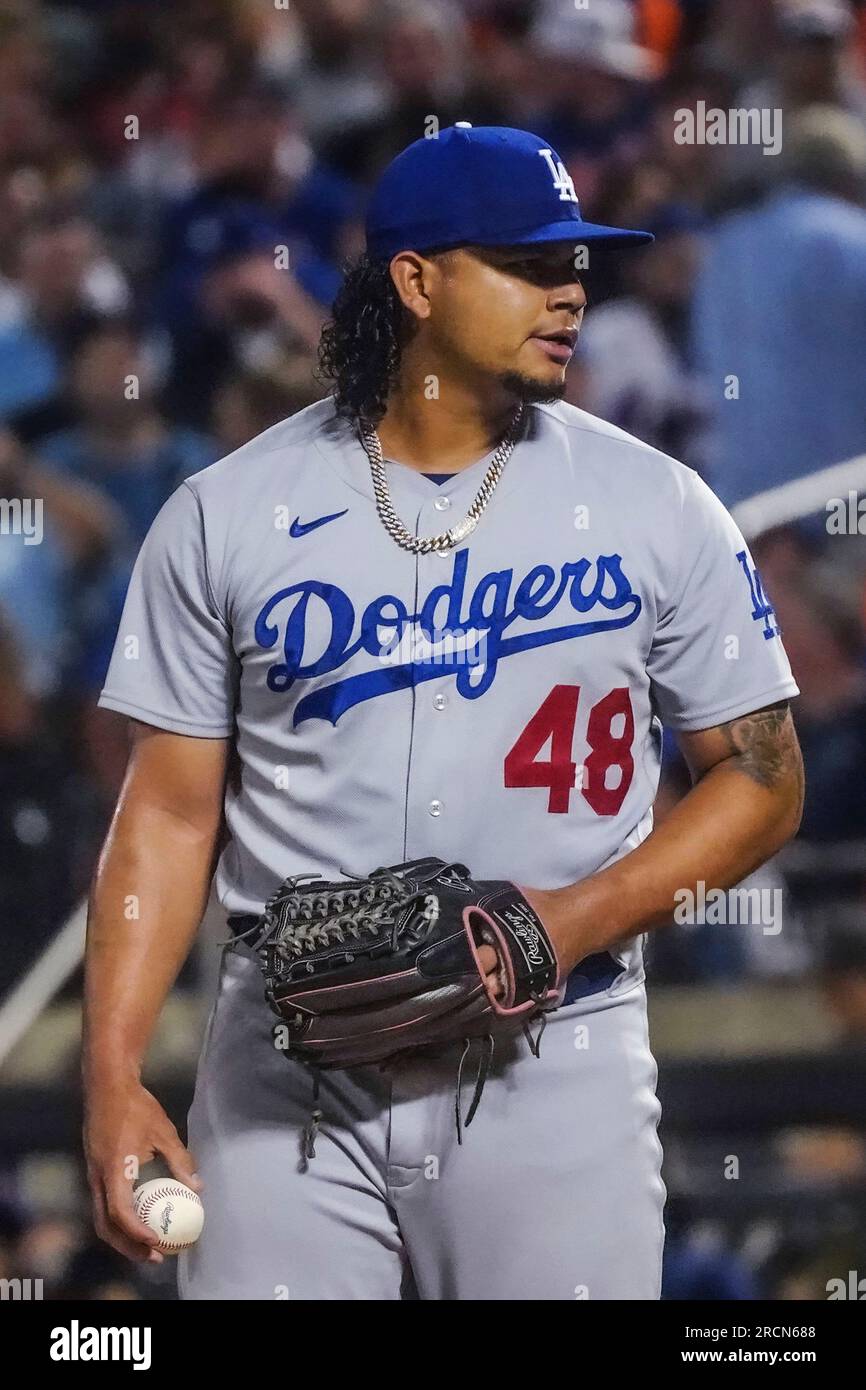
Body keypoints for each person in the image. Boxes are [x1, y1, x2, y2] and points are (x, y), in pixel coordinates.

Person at [83, 125, 804, 1301]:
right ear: (416, 280)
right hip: (286, 1067)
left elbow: (765, 778)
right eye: (526, 263)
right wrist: (112, 1070)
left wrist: (568, 920)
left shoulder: (656, 504)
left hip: (552, 1056)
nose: (567, 289)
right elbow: (163, 817)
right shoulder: (226, 514)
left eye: (575, 263)